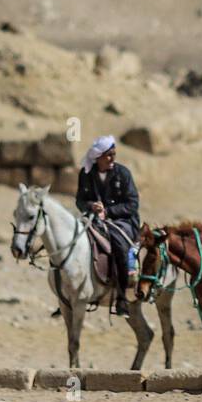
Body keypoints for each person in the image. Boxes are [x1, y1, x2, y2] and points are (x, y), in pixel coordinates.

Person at [75, 135, 140, 316]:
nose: (112, 158)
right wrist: (90, 206)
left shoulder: (123, 174)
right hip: (94, 220)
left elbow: (132, 205)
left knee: (118, 245)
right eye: (109, 155)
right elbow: (80, 200)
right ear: (98, 157)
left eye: (114, 154)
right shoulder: (86, 174)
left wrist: (108, 212)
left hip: (124, 222)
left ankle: (121, 298)